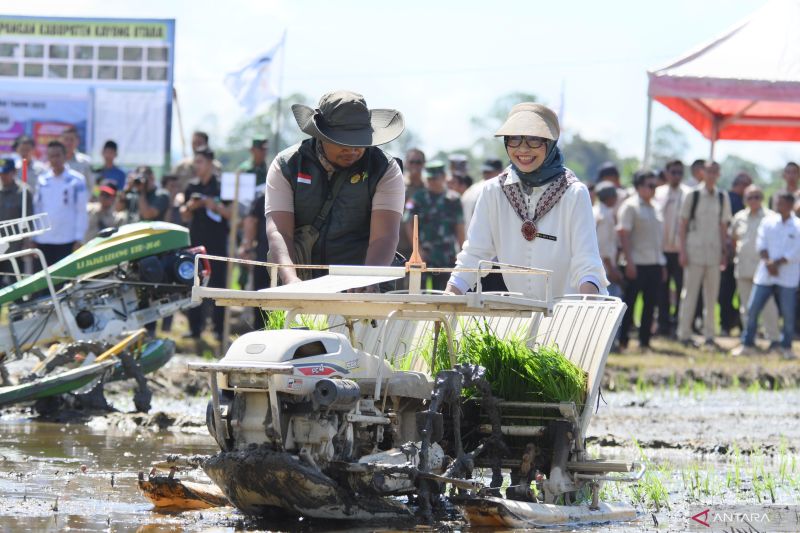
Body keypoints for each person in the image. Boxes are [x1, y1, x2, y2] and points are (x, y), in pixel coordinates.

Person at [446, 102, 606, 299]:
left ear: (550, 143)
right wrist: (447, 299)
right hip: (521, 313)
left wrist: (587, 308)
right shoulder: (494, 191)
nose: (523, 149)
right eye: (514, 139)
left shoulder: (573, 192)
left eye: (533, 140)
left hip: (568, 312)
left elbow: (587, 263)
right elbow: (475, 255)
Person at [265, 90, 405, 285]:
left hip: (363, 283)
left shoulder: (385, 169)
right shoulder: (286, 165)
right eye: (343, 143)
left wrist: (367, 282)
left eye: (359, 142)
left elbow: (384, 237)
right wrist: (290, 279)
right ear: (322, 136)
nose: (353, 150)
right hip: (302, 282)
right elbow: (279, 232)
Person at [732, 193, 800, 360]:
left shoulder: (797, 226)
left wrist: (776, 264)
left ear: (790, 205)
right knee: (753, 308)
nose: (778, 206)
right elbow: (760, 244)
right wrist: (769, 263)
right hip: (765, 274)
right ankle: (747, 344)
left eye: (782, 203)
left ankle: (786, 347)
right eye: (777, 202)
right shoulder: (768, 222)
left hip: (787, 276)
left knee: (788, 313)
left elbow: (795, 251)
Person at [676, 161, 732, 348]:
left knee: (711, 296)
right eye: (709, 171)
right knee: (690, 294)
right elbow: (682, 225)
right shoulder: (693, 195)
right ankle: (684, 333)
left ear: (719, 174)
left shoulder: (722, 197)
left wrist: (725, 252)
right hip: (694, 251)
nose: (712, 175)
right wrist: (682, 250)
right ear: (702, 173)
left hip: (714, 252)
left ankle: (710, 335)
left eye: (715, 171)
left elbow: (723, 226)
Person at [181, 148, 232, 339]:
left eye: (200, 162)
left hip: (217, 244)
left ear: (210, 163)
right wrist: (190, 206)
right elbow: (184, 214)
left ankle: (219, 331)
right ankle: (195, 330)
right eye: (195, 162)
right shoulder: (191, 186)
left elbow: (232, 215)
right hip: (196, 243)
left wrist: (214, 206)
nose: (197, 166)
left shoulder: (221, 186)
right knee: (195, 285)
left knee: (218, 287)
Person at [617, 170, 665, 350]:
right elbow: (624, 235)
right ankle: (623, 341)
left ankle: (644, 341)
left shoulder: (656, 207)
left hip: (654, 263)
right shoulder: (630, 206)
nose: (654, 189)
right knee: (629, 304)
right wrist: (629, 262)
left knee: (650, 305)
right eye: (650, 185)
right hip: (636, 263)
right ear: (639, 186)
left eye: (655, 186)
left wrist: (662, 263)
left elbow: (658, 239)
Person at [730, 185, 780, 350]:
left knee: (768, 306)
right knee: (746, 306)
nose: (753, 200)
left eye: (757, 196)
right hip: (743, 267)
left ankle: (774, 339)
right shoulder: (739, 217)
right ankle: (749, 339)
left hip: (764, 270)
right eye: (750, 197)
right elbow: (734, 239)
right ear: (745, 199)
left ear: (762, 198)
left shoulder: (771, 217)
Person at [404, 161, 465, 290]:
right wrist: (417, 250)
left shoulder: (453, 199)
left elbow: (459, 227)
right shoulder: (418, 197)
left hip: (446, 255)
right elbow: (408, 222)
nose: (431, 181)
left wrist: (461, 252)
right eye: (429, 178)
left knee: (444, 295)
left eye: (434, 178)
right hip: (424, 254)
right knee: (419, 294)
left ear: (443, 177)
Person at [33, 141, 89, 266]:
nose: (55, 159)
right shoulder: (42, 180)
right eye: (51, 156)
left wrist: (79, 238)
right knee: (43, 283)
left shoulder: (77, 180)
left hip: (67, 240)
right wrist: (34, 238)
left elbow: (81, 210)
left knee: (64, 283)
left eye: (58, 155)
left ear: (65, 156)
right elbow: (37, 209)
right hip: (43, 240)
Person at [654, 159, 690, 336]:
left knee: (683, 288)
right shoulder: (658, 193)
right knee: (662, 289)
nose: (676, 176)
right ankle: (663, 324)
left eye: (680, 173)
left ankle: (678, 324)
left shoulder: (689, 194)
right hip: (661, 250)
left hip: (681, 251)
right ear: (667, 174)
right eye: (673, 172)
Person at [718, 172, 752, 335]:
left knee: (742, 293)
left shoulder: (746, 203)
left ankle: (738, 323)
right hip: (729, 255)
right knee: (726, 292)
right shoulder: (728, 199)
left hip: (744, 257)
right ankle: (727, 322)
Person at [0, 157, 33, 284]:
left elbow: (28, 219)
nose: (3, 176)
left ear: (13, 172)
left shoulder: (23, 191)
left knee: (18, 283)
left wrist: (27, 242)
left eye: (6, 173)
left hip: (16, 247)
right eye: (1, 173)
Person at [398, 148, 426, 260]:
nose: (415, 165)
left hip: (423, 246)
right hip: (400, 245)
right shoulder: (398, 185)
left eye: (418, 162)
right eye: (412, 162)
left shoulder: (427, 188)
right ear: (406, 163)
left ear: (423, 164)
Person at [594, 181, 622, 297]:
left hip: (594, 267)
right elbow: (604, 247)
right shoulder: (606, 216)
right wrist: (612, 270)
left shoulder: (594, 210)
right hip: (605, 269)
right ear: (610, 197)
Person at [239, 191, 270, 290]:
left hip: (266, 255)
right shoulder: (263, 196)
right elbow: (251, 221)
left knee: (261, 297)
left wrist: (247, 248)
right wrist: (247, 249)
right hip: (263, 255)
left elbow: (250, 221)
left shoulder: (265, 195)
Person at [462, 158, 503, 230]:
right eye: (486, 172)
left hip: (469, 236)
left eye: (488, 172)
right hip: (482, 236)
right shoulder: (491, 189)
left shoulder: (471, 189)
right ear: (501, 171)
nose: (486, 174)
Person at [60, 126, 93, 193]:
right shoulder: (56, 162)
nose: (69, 143)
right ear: (61, 141)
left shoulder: (85, 162)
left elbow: (91, 185)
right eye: (66, 139)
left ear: (77, 141)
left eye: (72, 139)